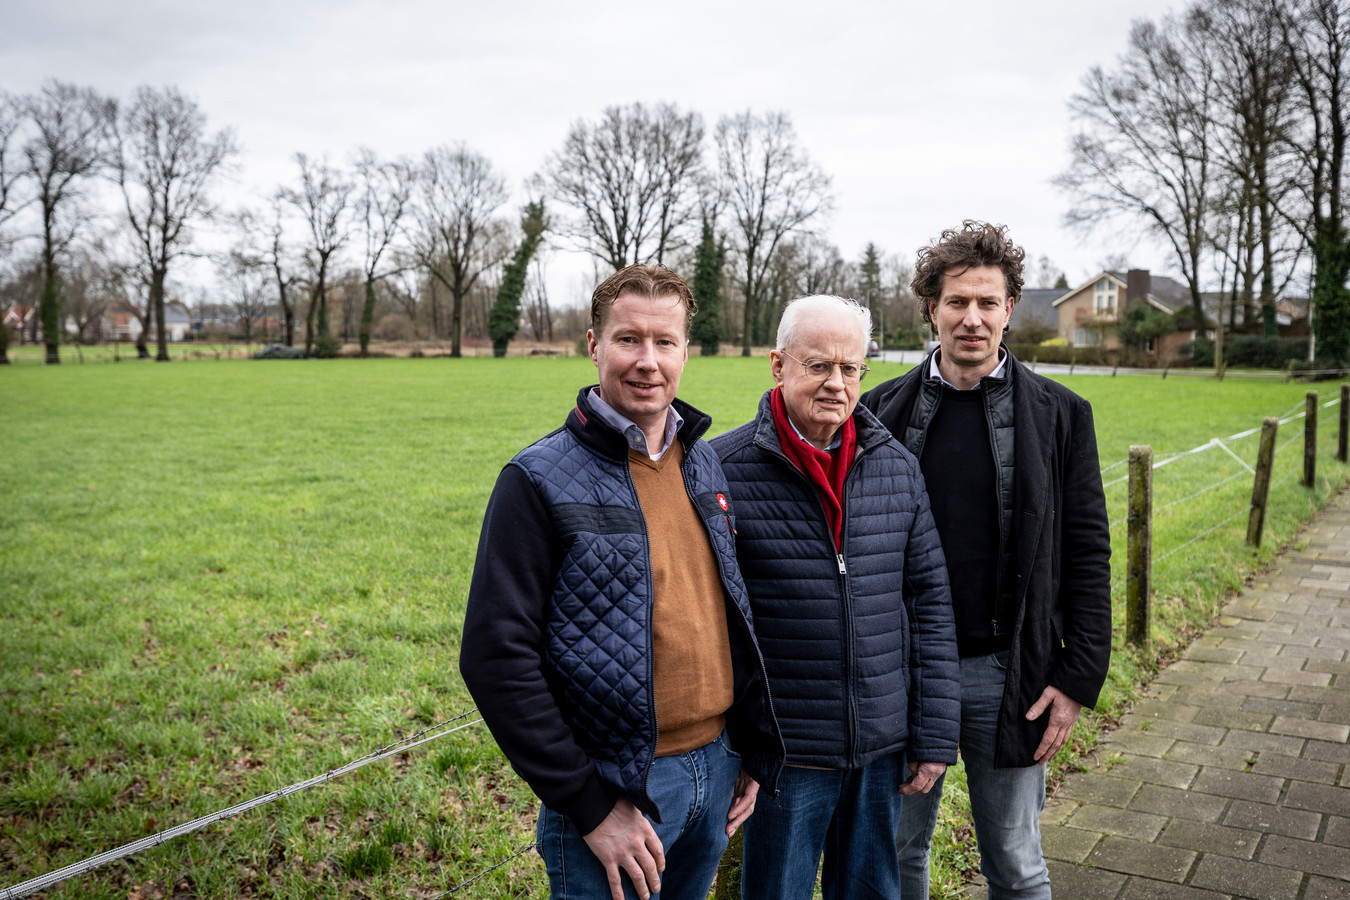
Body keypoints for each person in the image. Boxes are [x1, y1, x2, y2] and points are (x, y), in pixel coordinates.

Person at [459, 264, 783, 900]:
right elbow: (496, 657)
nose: (648, 361)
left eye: (665, 342)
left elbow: (723, 609)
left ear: (687, 351)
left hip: (715, 767)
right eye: (628, 339)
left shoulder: (702, 460)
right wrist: (591, 807)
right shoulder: (537, 479)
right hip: (619, 793)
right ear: (593, 345)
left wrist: (747, 746)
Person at [860, 221, 1112, 899]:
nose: (972, 318)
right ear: (932, 310)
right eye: (957, 302)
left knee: (1016, 863)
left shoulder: (1062, 416)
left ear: (1009, 311)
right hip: (900, 675)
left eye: (988, 303)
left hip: (1013, 674)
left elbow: (1088, 549)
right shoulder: (877, 412)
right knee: (895, 851)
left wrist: (1077, 674)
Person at [711, 294, 960, 899]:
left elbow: (929, 604)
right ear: (778, 365)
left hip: (880, 747)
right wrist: (737, 744)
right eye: (818, 365)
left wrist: (931, 736)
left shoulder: (896, 468)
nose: (837, 383)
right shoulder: (721, 468)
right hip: (785, 754)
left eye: (851, 368)